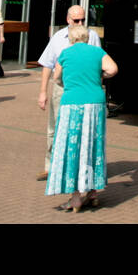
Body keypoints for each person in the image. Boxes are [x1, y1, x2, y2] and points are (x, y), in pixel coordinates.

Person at [46, 25, 117, 213]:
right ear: (87, 38)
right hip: (95, 103)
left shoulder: (66, 53)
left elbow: (57, 77)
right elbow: (113, 69)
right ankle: (93, 192)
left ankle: (75, 196)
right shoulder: (97, 52)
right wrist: (99, 76)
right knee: (93, 145)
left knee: (73, 147)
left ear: (71, 38)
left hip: (72, 103)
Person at [36, 6, 102, 181]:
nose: (80, 24)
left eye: (82, 20)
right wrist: (43, 92)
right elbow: (47, 64)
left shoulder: (92, 36)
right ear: (68, 20)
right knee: (55, 127)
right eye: (76, 20)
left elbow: (100, 61)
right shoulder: (59, 38)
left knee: (81, 130)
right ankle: (50, 167)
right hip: (62, 88)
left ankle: (75, 169)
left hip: (84, 90)